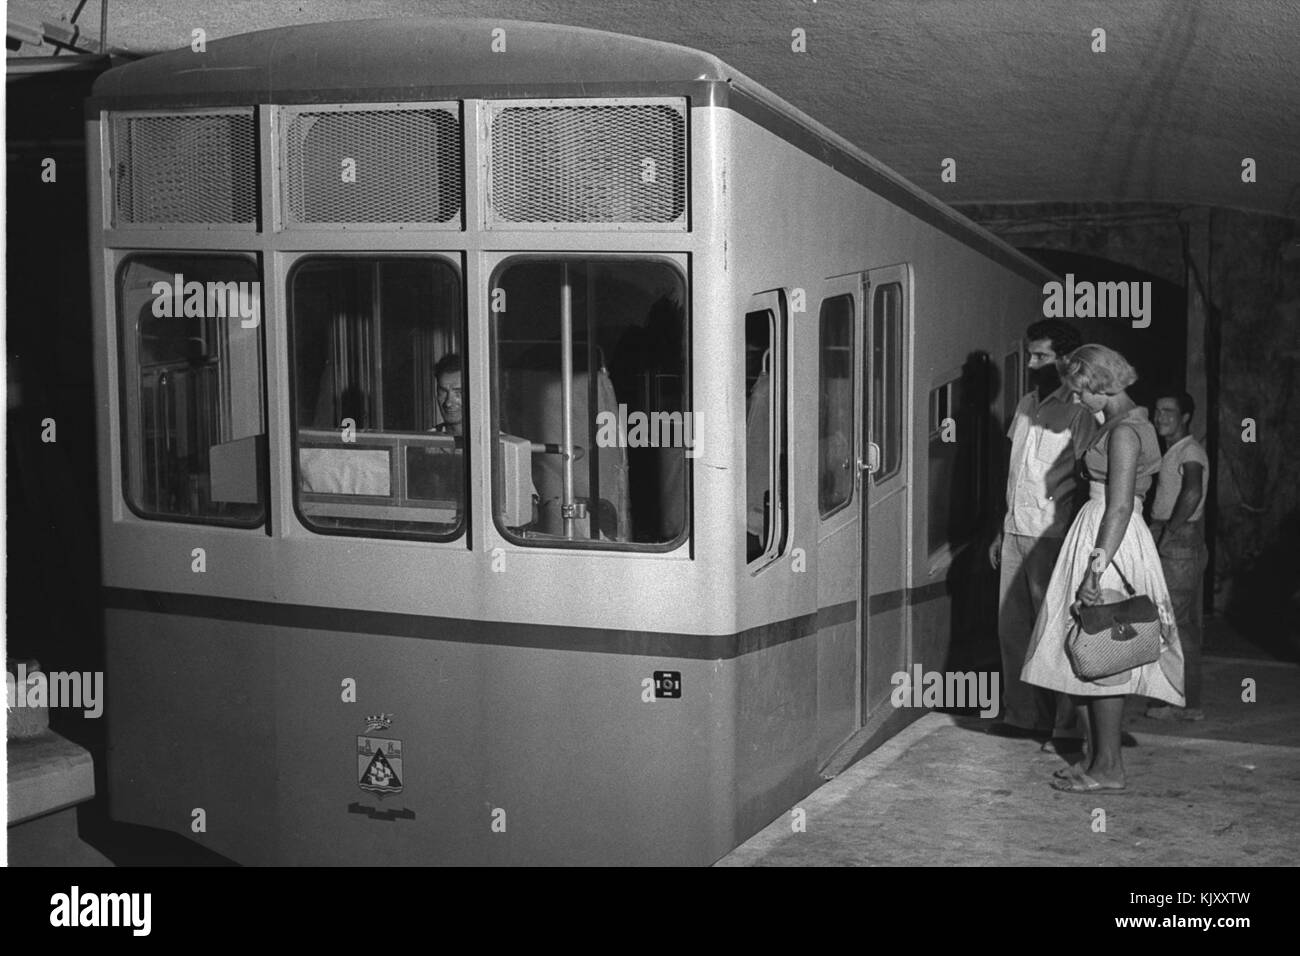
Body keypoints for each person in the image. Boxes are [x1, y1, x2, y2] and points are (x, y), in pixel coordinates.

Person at [1021, 345, 1184, 793]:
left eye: (1082, 392)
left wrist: (1095, 572)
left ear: (1104, 386)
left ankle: (1109, 767)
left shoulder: (1127, 432)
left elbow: (1118, 508)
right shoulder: (1114, 423)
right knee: (1087, 646)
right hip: (1095, 531)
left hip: (1110, 540)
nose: (1077, 401)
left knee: (1105, 650)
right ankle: (1094, 758)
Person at [988, 320, 1096, 749]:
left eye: (1041, 357)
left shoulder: (1080, 411)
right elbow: (1016, 474)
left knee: (1056, 630)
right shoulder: (1029, 404)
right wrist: (1001, 528)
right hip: (1016, 530)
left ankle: (1067, 726)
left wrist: (1077, 538)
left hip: (1053, 535)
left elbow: (1091, 475)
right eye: (1030, 355)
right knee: (1013, 628)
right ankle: (1024, 716)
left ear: (1066, 360)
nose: (1031, 364)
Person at [1146, 391, 1208, 721]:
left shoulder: (1190, 451)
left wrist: (1169, 531)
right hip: (1175, 536)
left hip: (1179, 540)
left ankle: (1178, 702)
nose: (1160, 417)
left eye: (1168, 411)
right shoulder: (1172, 451)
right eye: (1157, 411)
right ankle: (1183, 701)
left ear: (1185, 417)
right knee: (1177, 623)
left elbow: (1193, 490)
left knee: (1174, 624)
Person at [431, 353, 464, 436]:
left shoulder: (495, 444)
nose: (448, 403)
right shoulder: (424, 443)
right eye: (443, 391)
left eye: (458, 392)